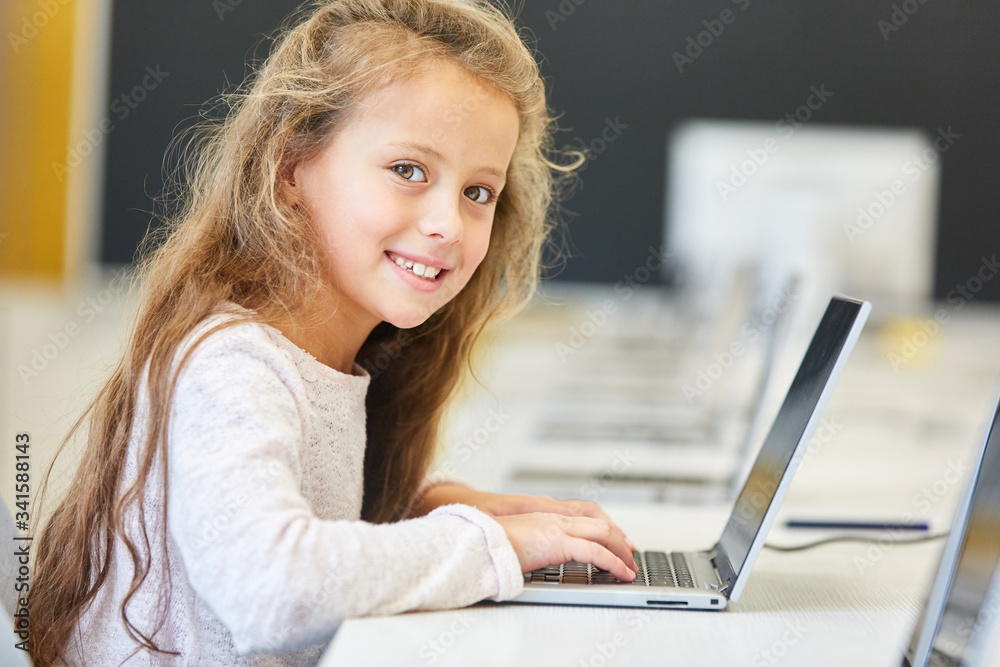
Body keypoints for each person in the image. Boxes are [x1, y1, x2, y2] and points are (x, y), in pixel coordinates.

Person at [28, 0, 638, 664]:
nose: (449, 225)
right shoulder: (233, 364)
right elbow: (272, 587)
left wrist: (426, 503)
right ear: (292, 166)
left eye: (478, 192)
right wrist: (493, 545)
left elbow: (301, 496)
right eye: (409, 170)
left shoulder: (321, 356)